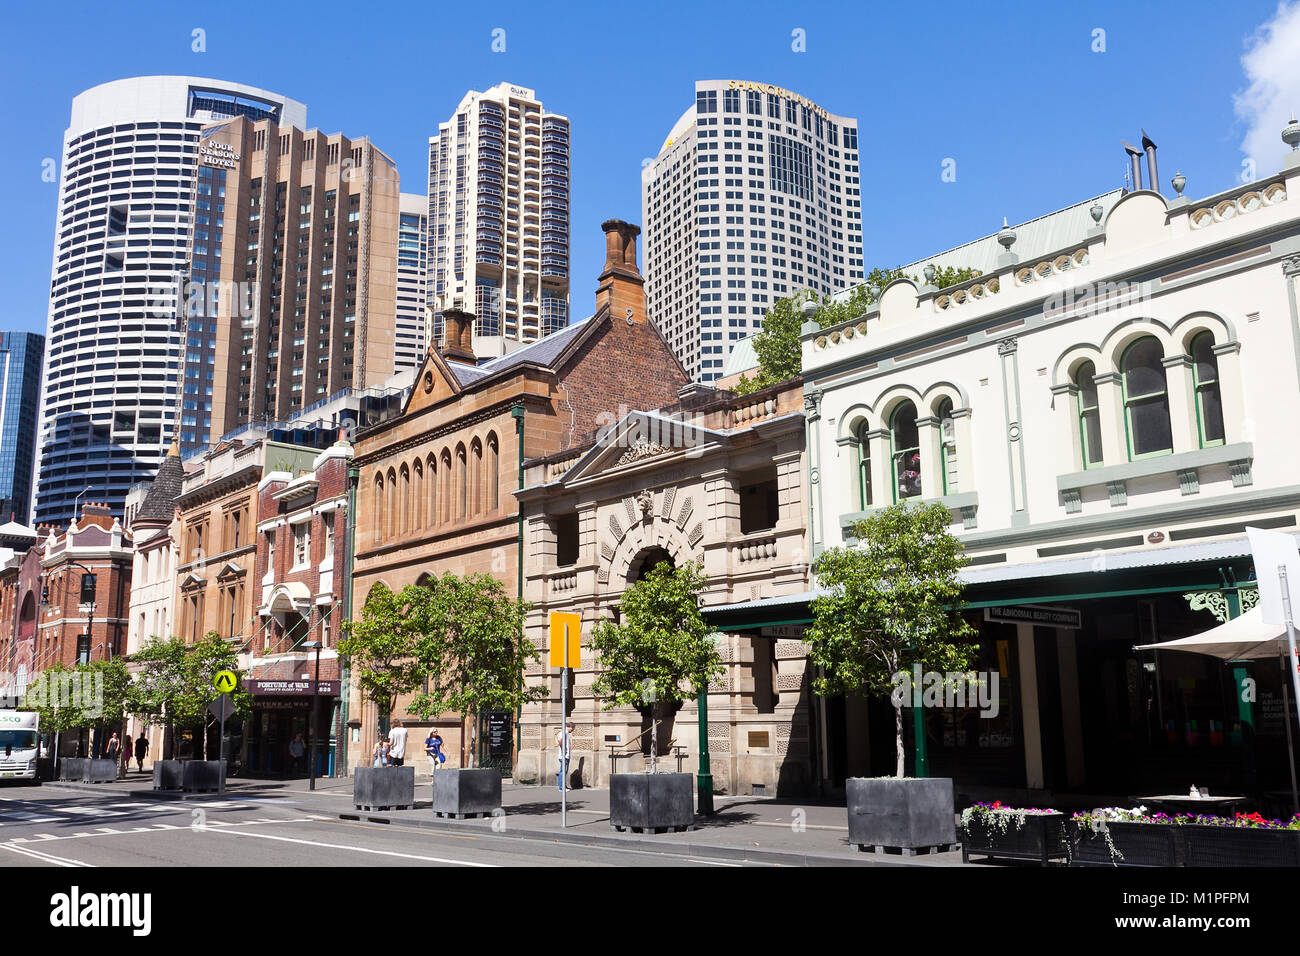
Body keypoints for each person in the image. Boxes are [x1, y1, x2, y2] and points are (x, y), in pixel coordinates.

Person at [556, 720, 574, 792]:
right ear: (570, 727)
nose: (572, 730)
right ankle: (561, 787)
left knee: (564, 771)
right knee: (563, 772)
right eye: (573, 729)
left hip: (565, 756)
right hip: (563, 756)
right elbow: (560, 741)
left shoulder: (566, 733)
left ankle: (563, 786)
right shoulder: (564, 732)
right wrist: (564, 749)